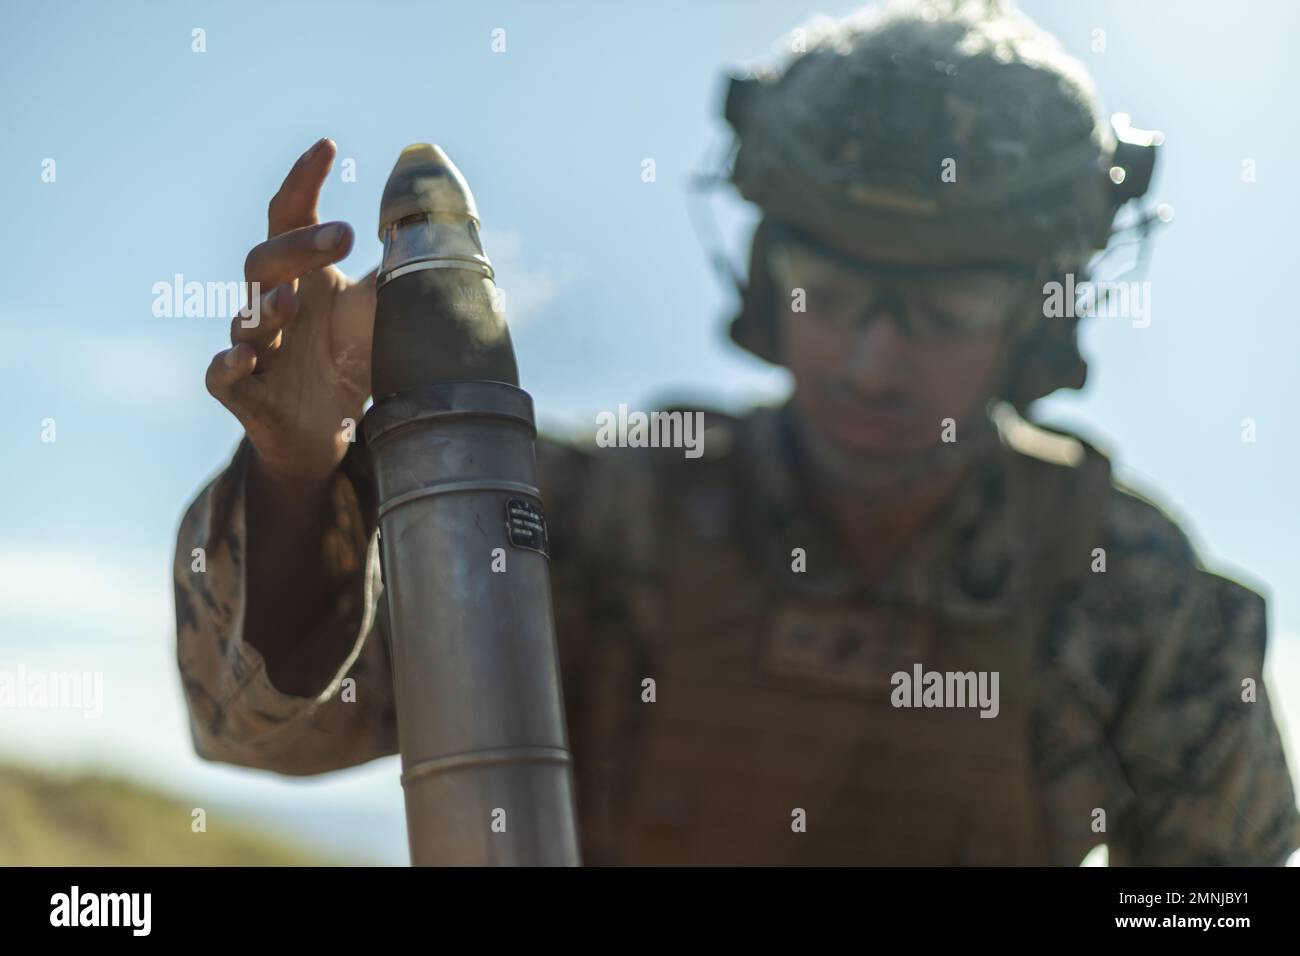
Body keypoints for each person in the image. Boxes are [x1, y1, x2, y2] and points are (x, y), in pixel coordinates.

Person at [173, 0, 1300, 865]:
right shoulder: (602, 512)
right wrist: (295, 471)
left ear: (1037, 319)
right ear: (766, 281)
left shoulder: (1135, 591)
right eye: (831, 292)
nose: (871, 358)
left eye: (943, 312)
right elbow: (256, 728)